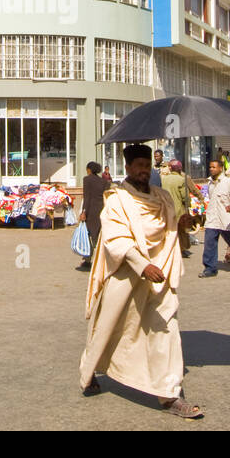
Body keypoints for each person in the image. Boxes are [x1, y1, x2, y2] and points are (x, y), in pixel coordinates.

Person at [79, 143, 203, 419]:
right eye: (138, 166)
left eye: (146, 166)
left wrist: (183, 223)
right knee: (109, 328)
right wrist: (142, 264)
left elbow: (170, 228)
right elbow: (115, 238)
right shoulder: (117, 199)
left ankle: (170, 394)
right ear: (128, 167)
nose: (143, 170)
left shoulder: (161, 197)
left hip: (161, 276)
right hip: (126, 275)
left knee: (165, 329)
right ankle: (89, 371)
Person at [159, 160, 192, 257]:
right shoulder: (181, 180)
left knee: (169, 230)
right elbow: (185, 197)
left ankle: (169, 249)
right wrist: (188, 206)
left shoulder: (163, 179)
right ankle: (181, 249)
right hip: (178, 209)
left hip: (166, 208)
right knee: (181, 231)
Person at [79, 161, 106, 269]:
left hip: (91, 211)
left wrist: (83, 211)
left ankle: (87, 260)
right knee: (99, 235)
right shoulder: (104, 182)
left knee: (88, 236)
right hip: (101, 210)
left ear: (89, 169)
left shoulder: (87, 180)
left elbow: (87, 197)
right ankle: (100, 260)